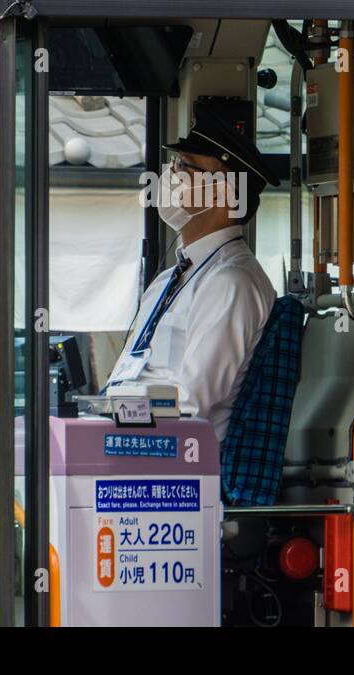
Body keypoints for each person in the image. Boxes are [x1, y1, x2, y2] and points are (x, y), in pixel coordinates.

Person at [106, 102, 279, 441]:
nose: (170, 176)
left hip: (173, 454)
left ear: (221, 191)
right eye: (175, 164)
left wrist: (115, 409)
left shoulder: (231, 282)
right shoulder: (169, 279)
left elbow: (191, 401)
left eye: (185, 167)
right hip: (129, 433)